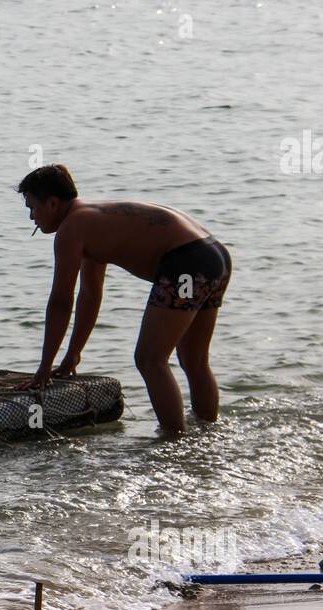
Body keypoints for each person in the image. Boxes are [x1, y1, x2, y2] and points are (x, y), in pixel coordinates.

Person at [16, 164, 231, 433]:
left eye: (32, 208)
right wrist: (72, 355)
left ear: (52, 203)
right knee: (194, 360)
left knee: (150, 359)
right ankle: (207, 434)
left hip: (187, 263)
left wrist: (44, 369)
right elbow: (90, 296)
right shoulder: (91, 219)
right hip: (214, 257)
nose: (31, 217)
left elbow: (61, 301)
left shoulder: (72, 228)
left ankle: (176, 442)